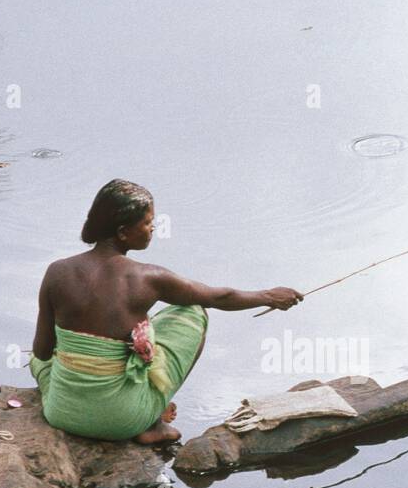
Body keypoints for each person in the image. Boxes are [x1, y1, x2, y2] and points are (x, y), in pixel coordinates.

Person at [30, 179, 302, 443]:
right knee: (194, 311)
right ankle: (152, 423)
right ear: (123, 232)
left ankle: (98, 394)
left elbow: (42, 351)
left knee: (36, 359)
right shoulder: (147, 278)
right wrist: (268, 296)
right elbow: (219, 297)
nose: (153, 229)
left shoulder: (57, 271)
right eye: (148, 223)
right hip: (122, 422)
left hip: (62, 414)